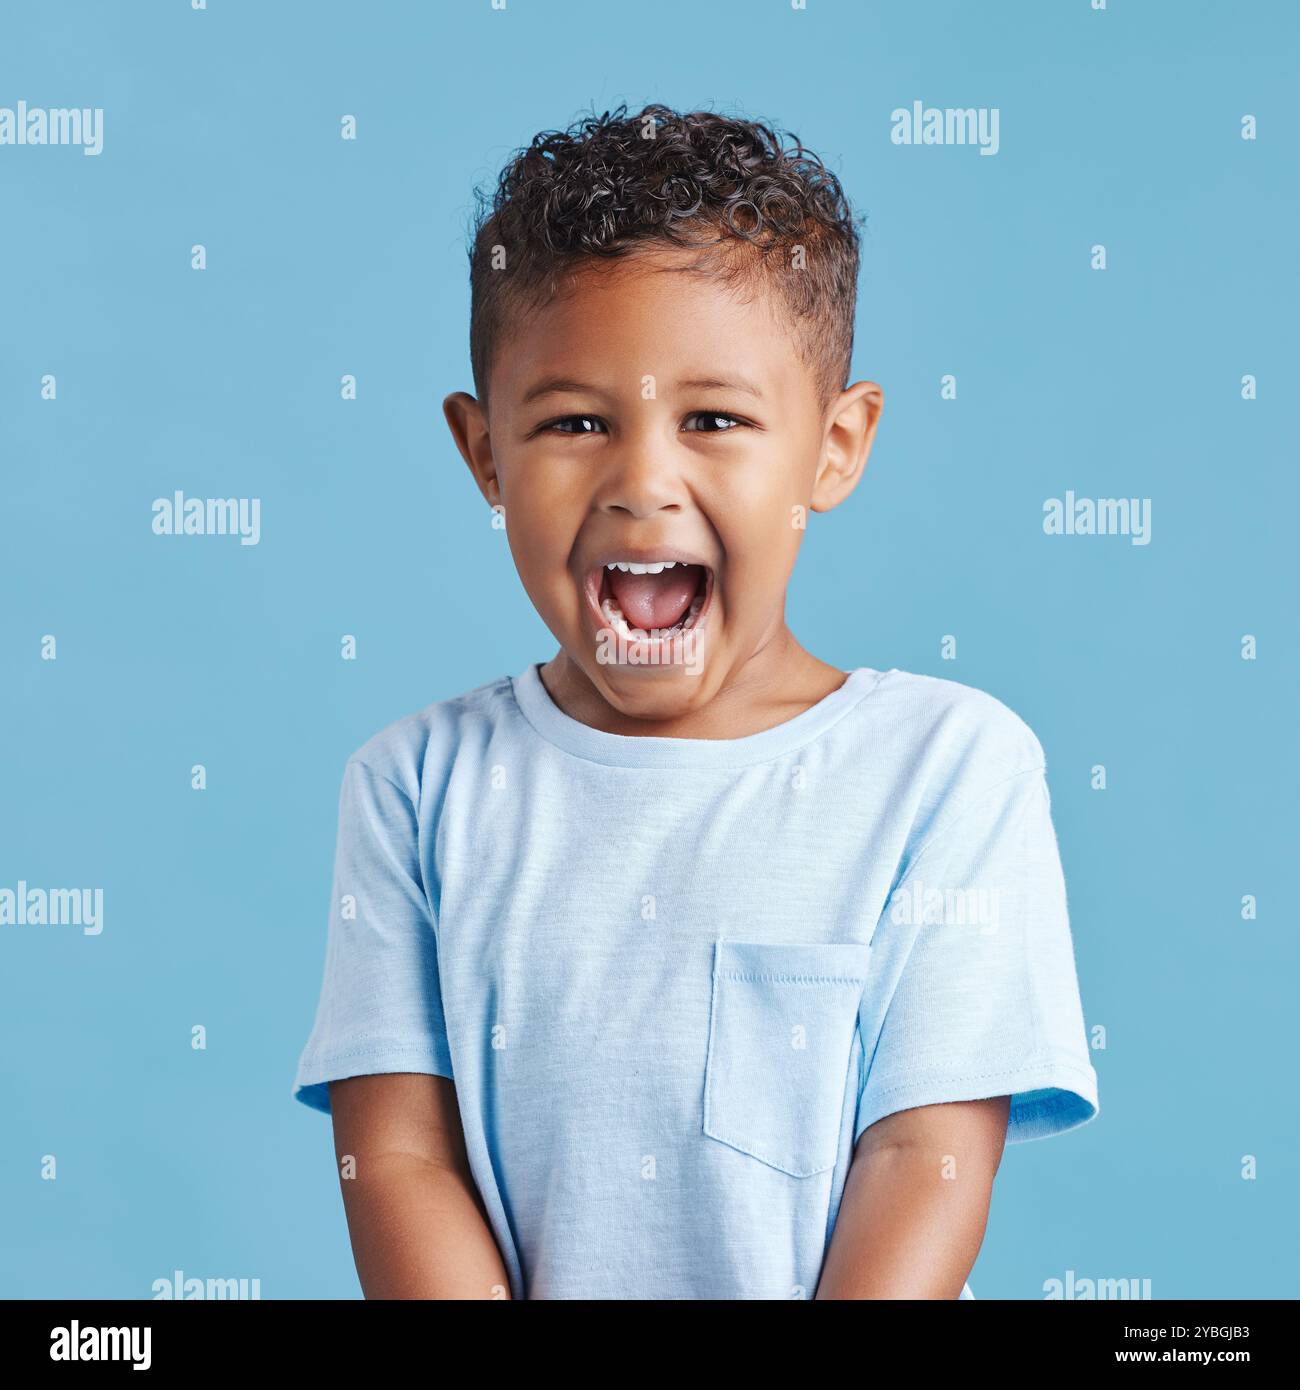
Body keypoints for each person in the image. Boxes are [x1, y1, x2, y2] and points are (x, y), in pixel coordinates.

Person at [292, 103, 1099, 1300]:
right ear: (485, 458)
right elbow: (397, 1153)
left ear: (834, 445)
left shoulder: (947, 767)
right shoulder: (415, 786)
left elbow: (925, 1153)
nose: (641, 484)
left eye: (714, 420)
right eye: (574, 423)